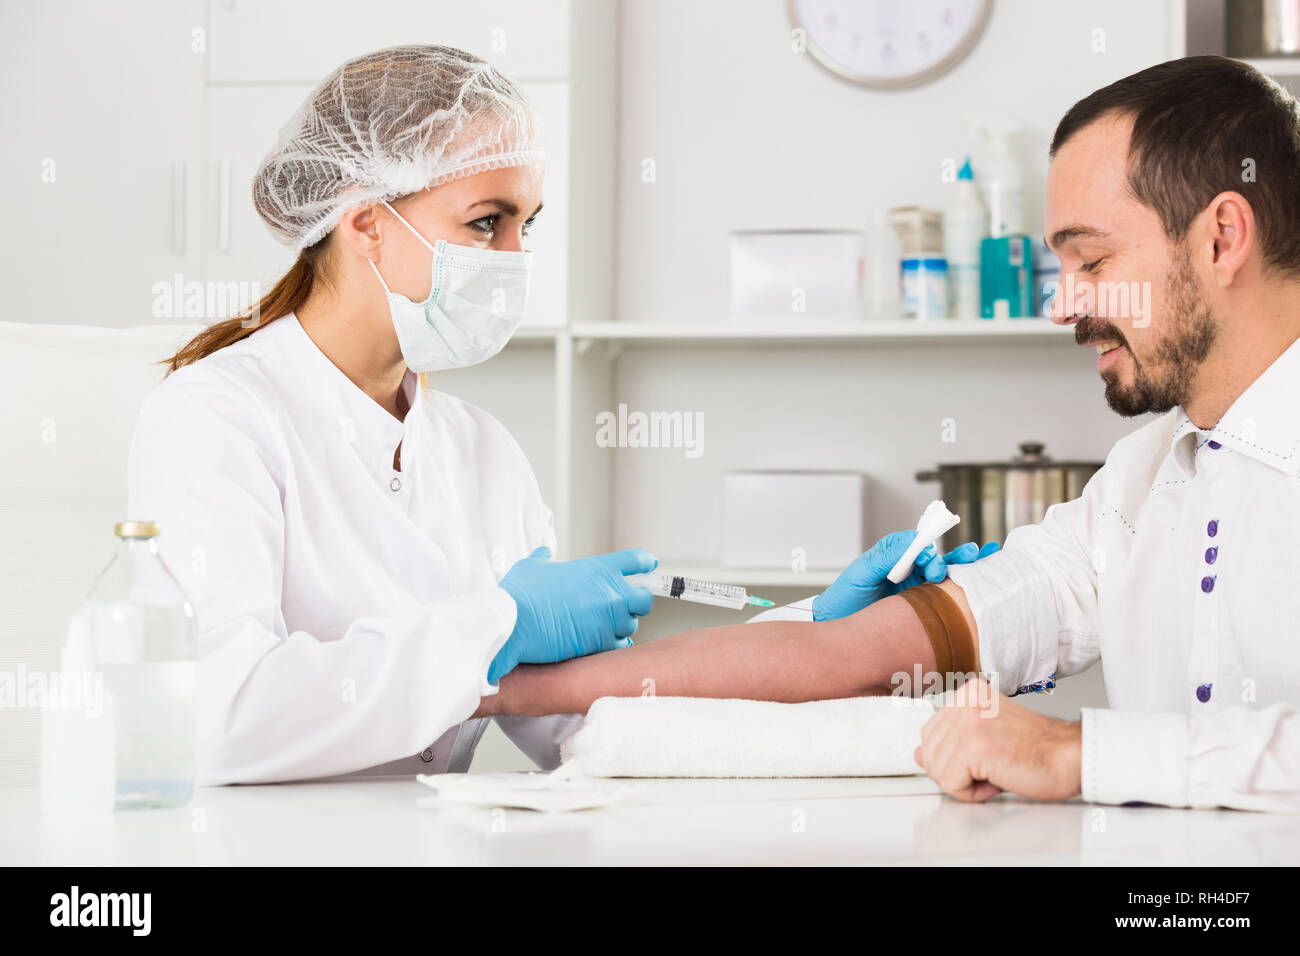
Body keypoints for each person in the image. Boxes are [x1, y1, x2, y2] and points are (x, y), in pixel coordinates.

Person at [483, 56, 1300, 813]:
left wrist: (1088, 754)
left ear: (1221, 237)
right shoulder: (1141, 481)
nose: (1062, 305)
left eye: (1090, 262)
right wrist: (491, 685)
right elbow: (847, 658)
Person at [128, 45, 667, 785]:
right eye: (486, 222)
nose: (514, 258)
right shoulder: (215, 417)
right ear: (366, 223)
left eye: (527, 227)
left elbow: (571, 725)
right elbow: (216, 715)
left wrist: (811, 636)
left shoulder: (483, 450)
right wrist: (496, 625)